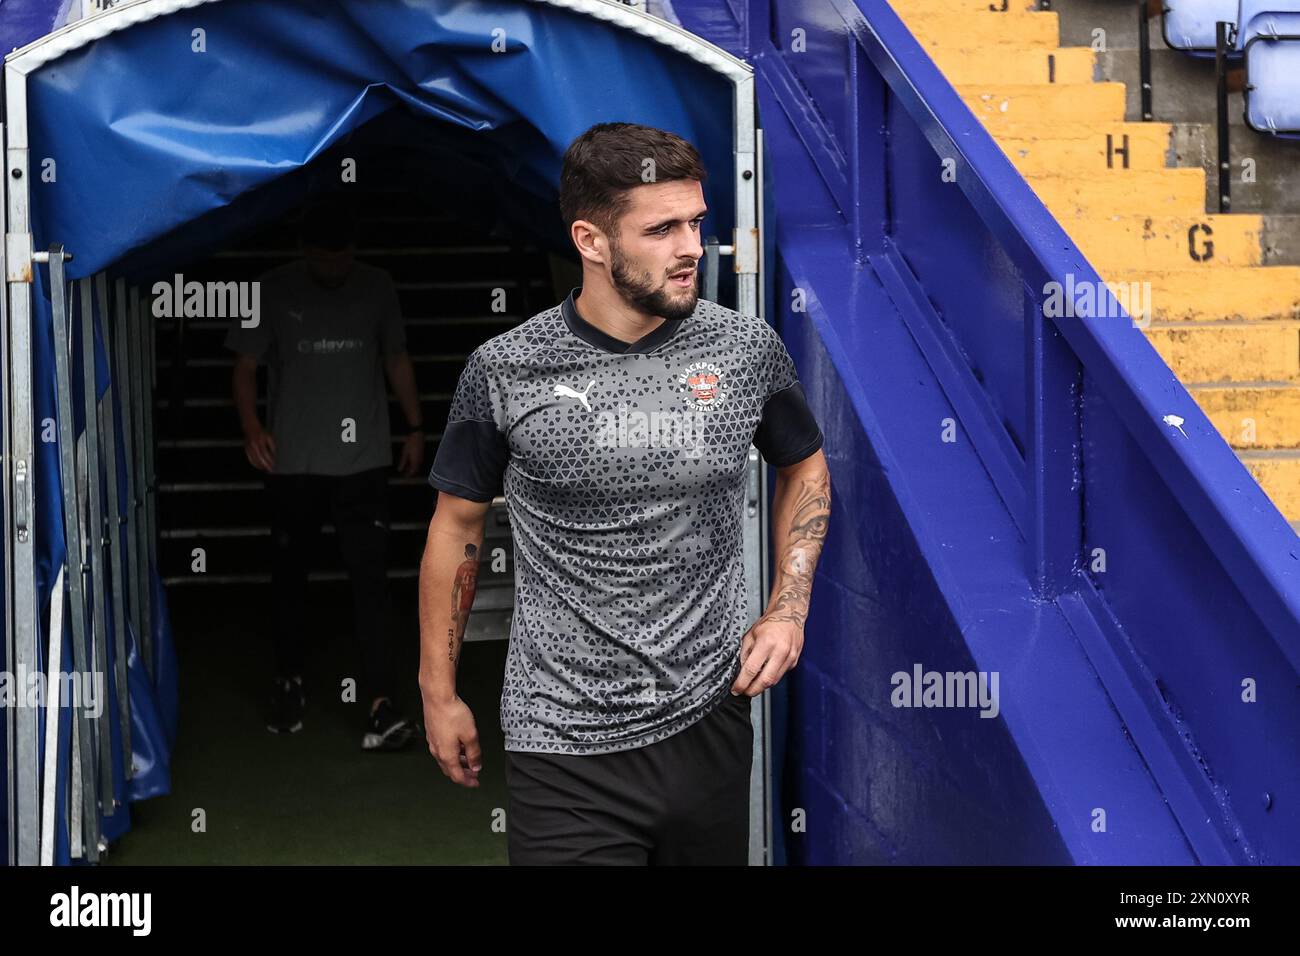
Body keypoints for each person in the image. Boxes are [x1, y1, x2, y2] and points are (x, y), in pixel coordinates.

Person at [420, 122, 832, 864]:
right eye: (662, 228)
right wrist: (438, 690)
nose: (691, 249)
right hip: (563, 744)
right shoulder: (505, 369)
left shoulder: (744, 351)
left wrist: (788, 609)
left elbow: (804, 466)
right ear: (591, 240)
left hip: (710, 723)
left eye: (697, 223)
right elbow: (457, 526)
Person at [225, 196, 425, 751]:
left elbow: (396, 359)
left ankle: (381, 703)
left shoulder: (377, 285)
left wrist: (414, 426)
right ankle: (288, 681)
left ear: (353, 251)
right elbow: (243, 367)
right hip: (293, 465)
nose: (333, 269)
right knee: (289, 578)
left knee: (372, 585)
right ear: (304, 251)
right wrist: (251, 429)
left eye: (341, 259)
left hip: (362, 464)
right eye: (323, 259)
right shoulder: (269, 288)